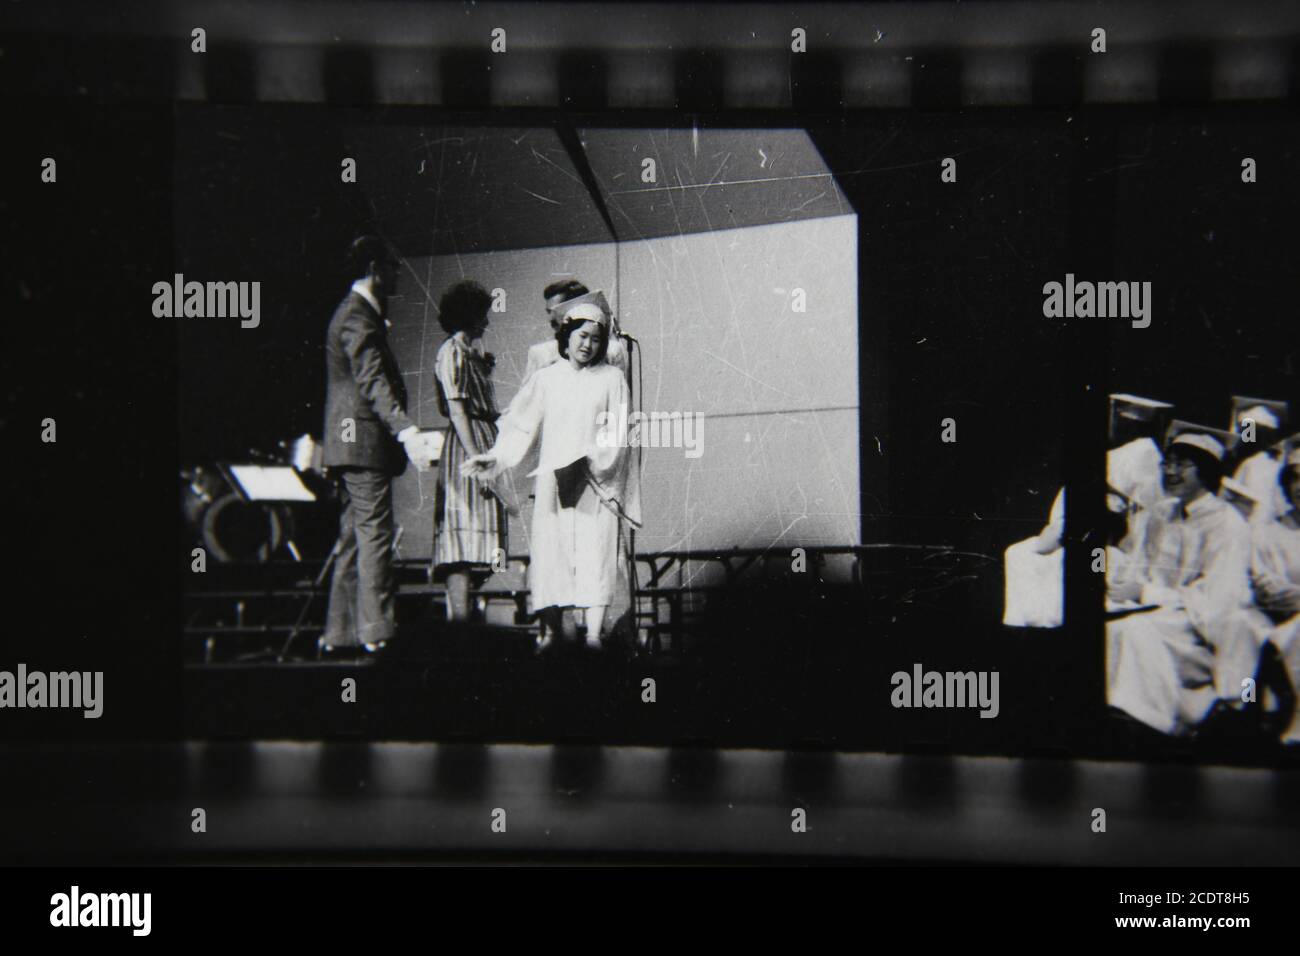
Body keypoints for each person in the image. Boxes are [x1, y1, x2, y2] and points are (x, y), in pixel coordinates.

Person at [463, 291, 641, 653]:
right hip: (552, 480)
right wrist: (495, 457)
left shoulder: (611, 379)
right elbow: (521, 426)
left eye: (595, 339)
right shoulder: (546, 379)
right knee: (552, 553)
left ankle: (592, 636)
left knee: (596, 551)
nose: (587, 345)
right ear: (567, 336)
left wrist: (594, 462)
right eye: (581, 336)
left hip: (593, 480)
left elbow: (618, 431)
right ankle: (554, 633)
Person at [320, 237, 435, 653]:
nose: (399, 273)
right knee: (374, 536)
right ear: (374, 268)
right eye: (394, 266)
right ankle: (377, 633)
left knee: (354, 536)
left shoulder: (360, 314)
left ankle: (340, 633)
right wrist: (406, 430)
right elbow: (372, 382)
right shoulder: (358, 316)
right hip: (363, 442)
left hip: (352, 445)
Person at [1106, 432, 1253, 734]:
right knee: (1108, 625)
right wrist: (1124, 587)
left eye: (1182, 465)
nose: (1170, 472)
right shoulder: (1161, 513)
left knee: (1135, 629)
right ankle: (1114, 713)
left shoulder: (1227, 523)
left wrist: (1148, 593)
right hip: (1156, 608)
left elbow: (1218, 598)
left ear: (1206, 471)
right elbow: (1139, 564)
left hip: (1197, 626)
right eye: (1167, 463)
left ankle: (1151, 719)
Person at [431, 280, 505, 622]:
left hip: (484, 438)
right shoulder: (452, 352)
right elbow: (458, 410)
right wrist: (476, 458)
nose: (487, 322)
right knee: (461, 539)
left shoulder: (470, 354)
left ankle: (471, 615)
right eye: (482, 315)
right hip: (467, 445)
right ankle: (459, 620)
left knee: (488, 539)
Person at [1215, 449, 1300, 742]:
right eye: (1295, 479)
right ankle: (1240, 705)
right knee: (1240, 623)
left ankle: (1290, 720)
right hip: (1271, 614)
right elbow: (1265, 583)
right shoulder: (1265, 532)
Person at [523, 280, 627, 383]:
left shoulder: (612, 352)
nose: (551, 318)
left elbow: (621, 395)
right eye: (549, 311)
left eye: (556, 310)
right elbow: (528, 397)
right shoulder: (541, 354)